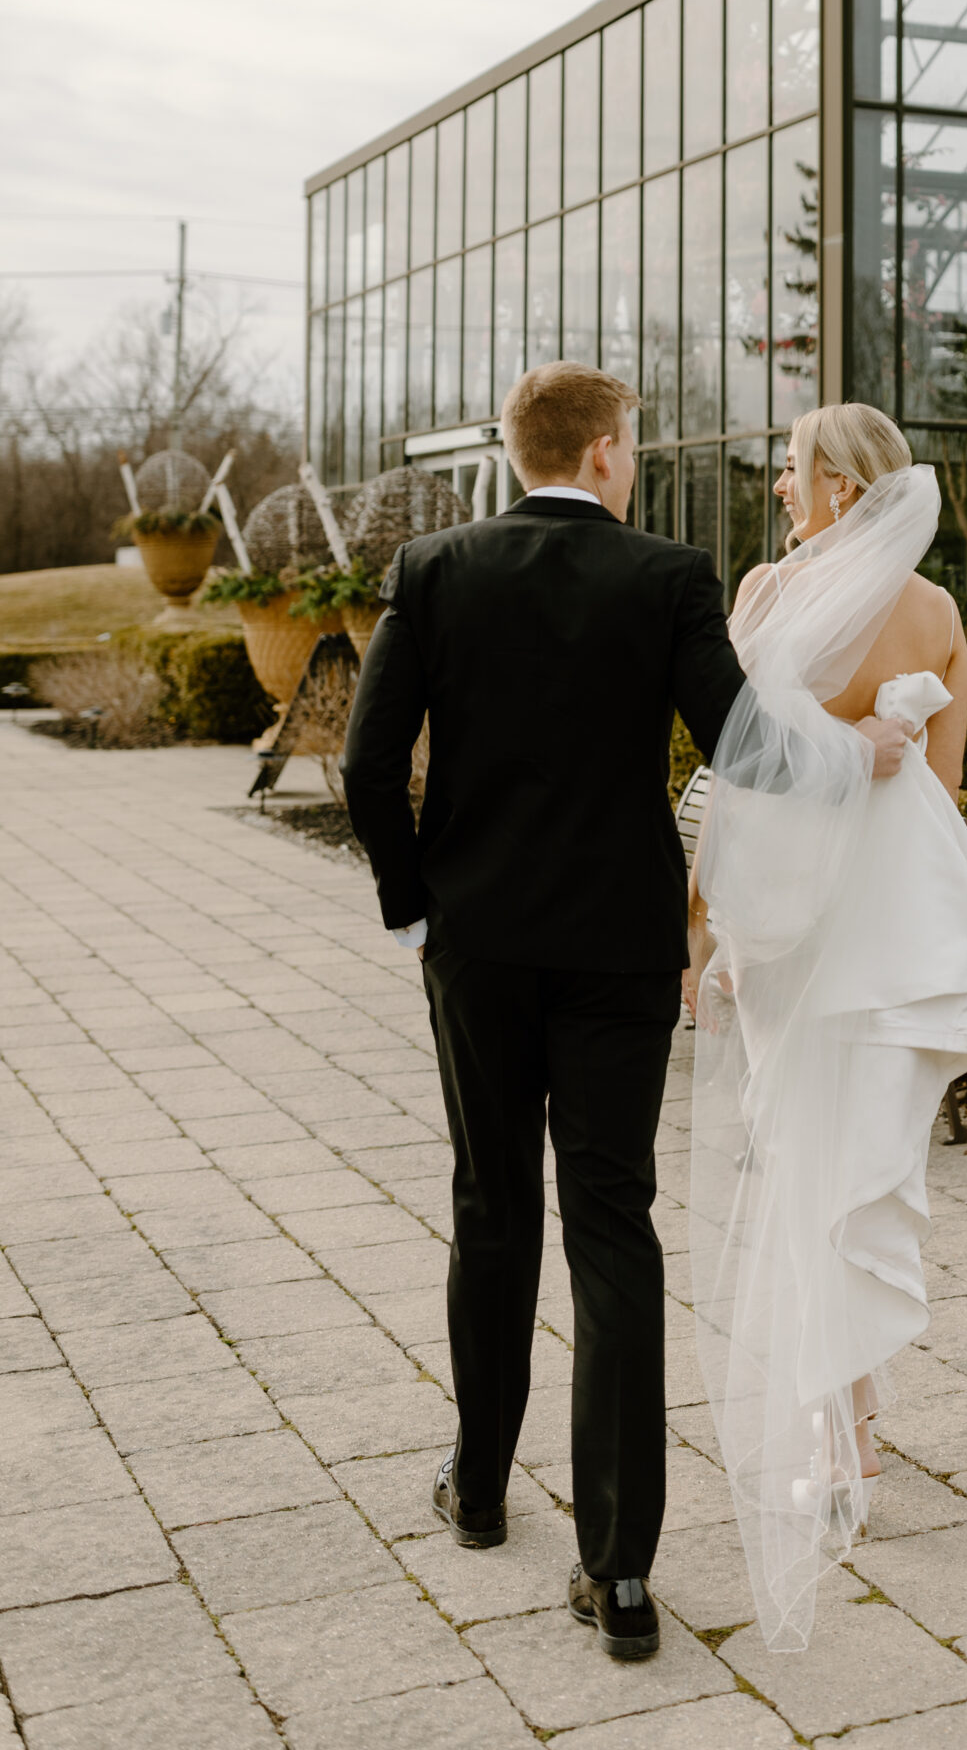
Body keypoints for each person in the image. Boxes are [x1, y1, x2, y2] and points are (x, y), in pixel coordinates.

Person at [341, 364, 910, 1661]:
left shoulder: (431, 571)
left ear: (514, 447)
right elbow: (749, 749)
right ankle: (622, 1573)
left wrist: (411, 907)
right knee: (613, 1227)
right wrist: (861, 756)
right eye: (633, 443)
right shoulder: (668, 577)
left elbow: (374, 766)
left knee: (490, 1206)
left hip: (474, 947)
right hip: (614, 950)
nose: (636, 461)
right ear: (601, 452)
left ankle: (479, 1493)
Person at [686, 404, 967, 1652]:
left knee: (806, 1163)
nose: (775, 487)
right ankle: (852, 1427)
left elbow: (732, 760)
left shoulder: (772, 593)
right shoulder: (935, 615)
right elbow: (945, 793)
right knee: (858, 1171)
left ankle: (839, 1432)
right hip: (891, 933)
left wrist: (707, 926)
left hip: (797, 923)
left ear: (834, 482)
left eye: (787, 468)